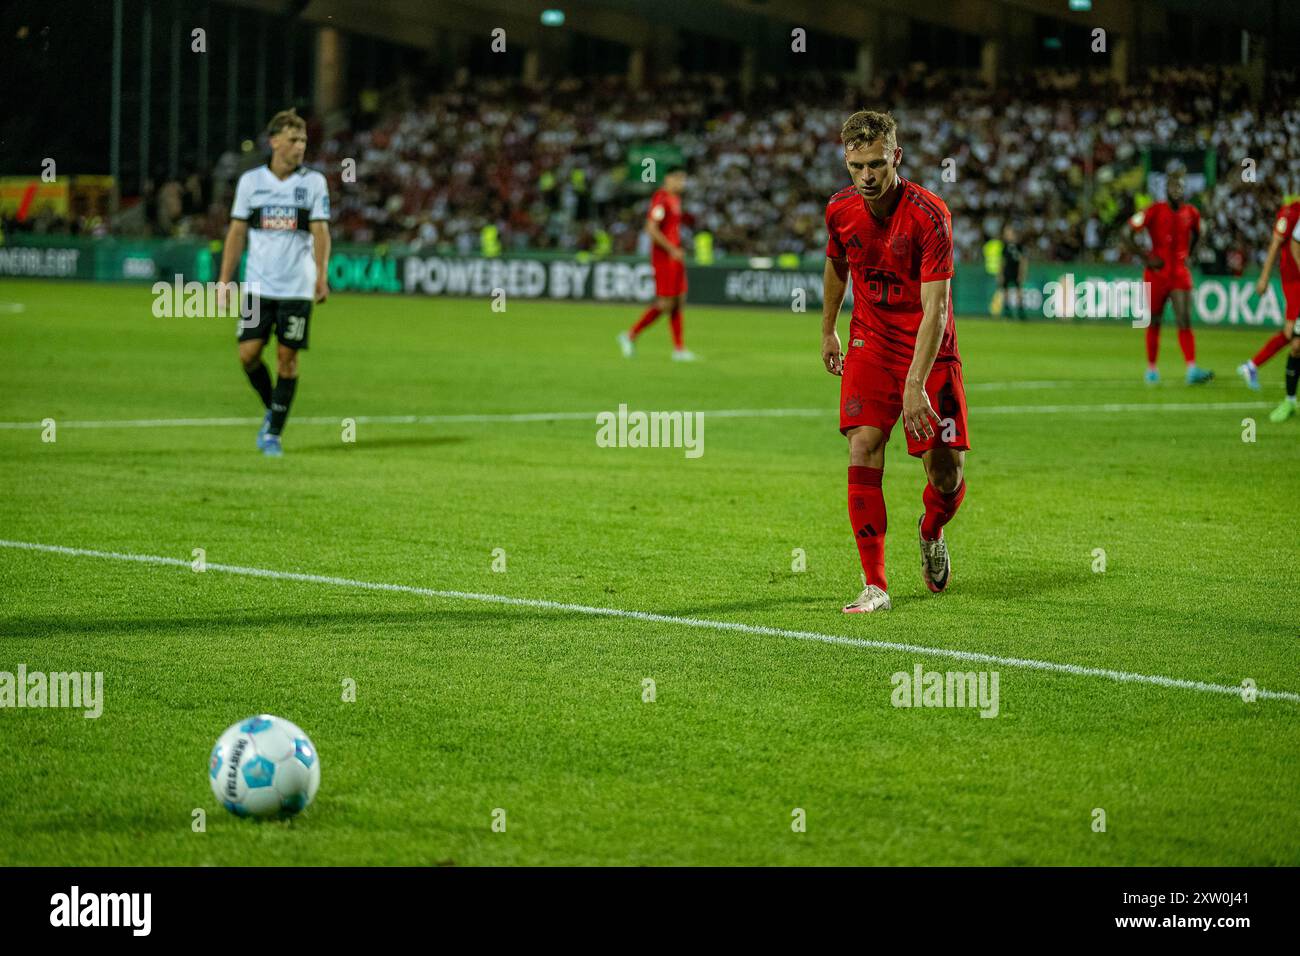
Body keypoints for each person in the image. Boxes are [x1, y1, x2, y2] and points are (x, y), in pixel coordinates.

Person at [821, 111, 969, 614]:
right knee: (862, 446)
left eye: (876, 165)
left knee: (944, 474)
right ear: (846, 161)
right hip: (871, 343)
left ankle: (931, 530)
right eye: (856, 165)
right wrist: (828, 328)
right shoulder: (839, 210)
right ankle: (875, 584)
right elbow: (837, 265)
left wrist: (915, 384)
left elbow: (937, 309)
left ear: (896, 158)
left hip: (930, 350)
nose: (866, 176)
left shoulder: (930, 215)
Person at [216, 109, 331, 456]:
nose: (300, 147)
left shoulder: (313, 183)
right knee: (247, 355)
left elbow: (321, 230)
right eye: (294, 140)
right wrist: (224, 280)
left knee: (287, 359)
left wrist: (321, 274)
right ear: (275, 141)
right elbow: (237, 232)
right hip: (256, 288)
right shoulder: (251, 182)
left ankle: (273, 434)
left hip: (296, 287)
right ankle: (274, 407)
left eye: (304, 141)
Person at [1123, 171, 1213, 385]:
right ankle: (1152, 369)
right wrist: (1145, 257)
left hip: (1179, 273)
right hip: (1157, 273)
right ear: (1166, 191)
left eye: (1180, 187)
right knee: (1154, 320)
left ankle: (1191, 368)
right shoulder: (1154, 210)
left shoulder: (1191, 212)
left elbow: (1201, 232)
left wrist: (1191, 253)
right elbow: (1126, 232)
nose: (1177, 191)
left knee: (1184, 319)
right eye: (1173, 187)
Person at [618, 165, 696, 361]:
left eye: (684, 180)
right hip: (664, 258)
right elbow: (651, 228)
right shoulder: (660, 198)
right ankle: (630, 335)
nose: (682, 183)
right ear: (668, 179)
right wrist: (671, 249)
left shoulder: (675, 199)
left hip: (675, 256)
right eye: (679, 179)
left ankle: (679, 349)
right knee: (665, 303)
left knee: (679, 300)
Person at [1238, 196, 1300, 392]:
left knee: (1292, 334)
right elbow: (1275, 244)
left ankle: (1252, 366)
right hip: (1294, 280)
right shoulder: (1290, 213)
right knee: (1292, 333)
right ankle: (1252, 365)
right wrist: (1263, 278)